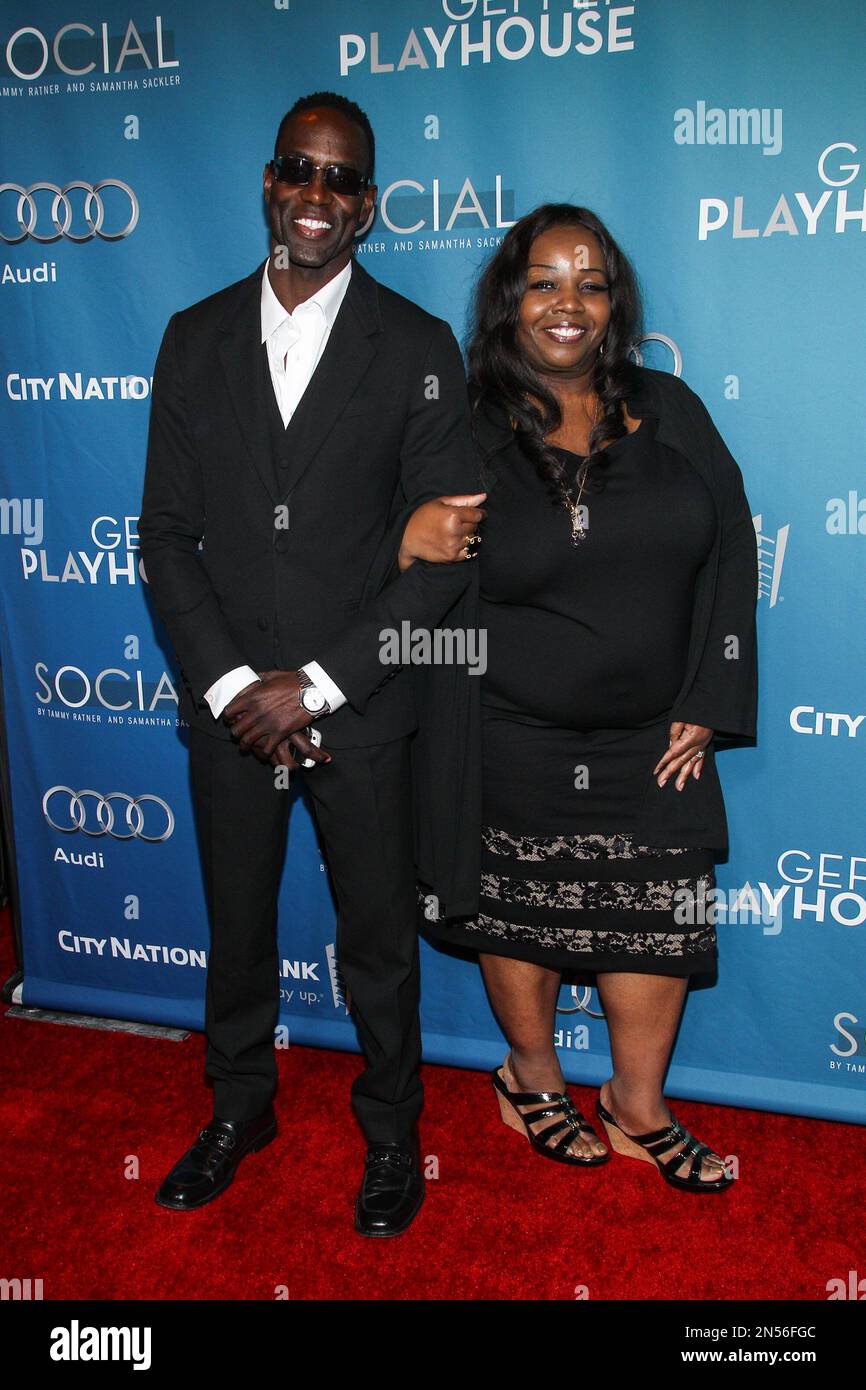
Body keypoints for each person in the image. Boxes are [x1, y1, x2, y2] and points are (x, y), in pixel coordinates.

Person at [139, 91, 485, 1236]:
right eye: (300, 168)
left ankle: (391, 1134)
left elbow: (440, 560)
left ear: (368, 206)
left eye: (341, 179)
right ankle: (241, 1105)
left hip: (364, 705)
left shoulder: (420, 349)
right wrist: (240, 688)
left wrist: (320, 683)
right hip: (231, 711)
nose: (317, 196)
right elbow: (163, 537)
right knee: (235, 926)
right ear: (268, 181)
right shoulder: (193, 338)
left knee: (375, 942)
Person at [402, 203, 758, 1191]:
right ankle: (531, 1080)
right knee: (515, 915)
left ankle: (636, 1109)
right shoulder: (459, 425)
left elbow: (728, 544)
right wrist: (402, 544)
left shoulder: (671, 407)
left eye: (589, 282)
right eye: (543, 281)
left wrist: (708, 690)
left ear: (614, 301)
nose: (567, 303)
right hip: (504, 733)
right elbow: (407, 568)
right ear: (509, 297)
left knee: (654, 912)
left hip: (654, 736)